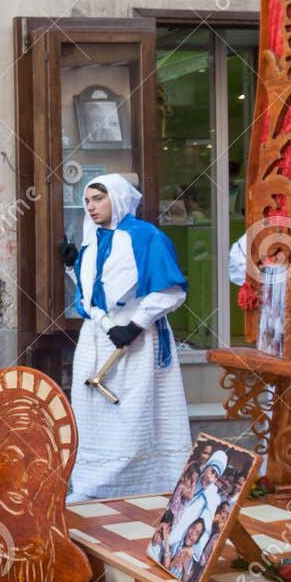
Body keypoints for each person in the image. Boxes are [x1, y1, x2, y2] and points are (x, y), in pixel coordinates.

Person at [67, 174, 189, 501]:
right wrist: (105, 323)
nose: (91, 206)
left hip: (139, 343)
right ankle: (93, 487)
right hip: (97, 339)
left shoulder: (147, 237)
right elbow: (88, 295)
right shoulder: (91, 241)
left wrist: (135, 324)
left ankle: (148, 486)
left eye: (99, 198)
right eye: (88, 200)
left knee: (138, 412)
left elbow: (171, 289)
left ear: (117, 198)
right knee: (92, 413)